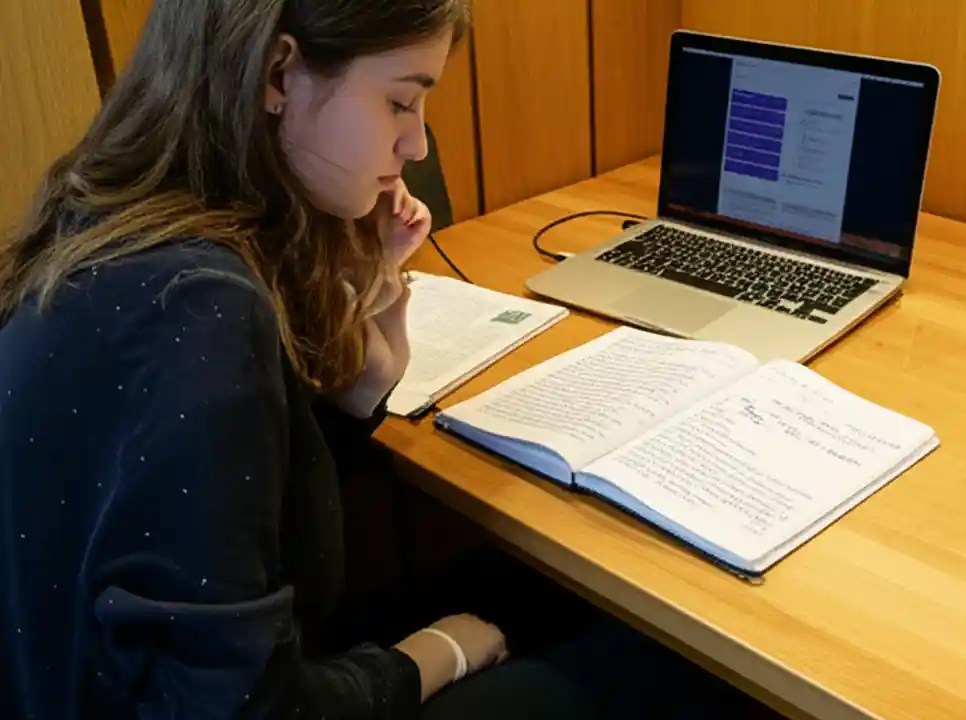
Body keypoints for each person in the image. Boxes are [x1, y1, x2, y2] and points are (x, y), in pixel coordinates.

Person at [0, 1, 760, 718]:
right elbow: (248, 707)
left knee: (553, 596)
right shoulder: (193, 309)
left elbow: (226, 526)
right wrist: (436, 656)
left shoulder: (111, 224)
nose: (418, 145)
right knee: (682, 666)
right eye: (401, 101)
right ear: (277, 75)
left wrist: (360, 390)